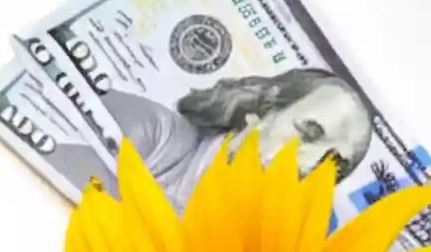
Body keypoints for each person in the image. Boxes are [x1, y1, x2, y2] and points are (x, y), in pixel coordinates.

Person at [103, 68, 373, 212]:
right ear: (260, 111)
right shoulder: (148, 133)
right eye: (308, 133)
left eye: (335, 164)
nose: (314, 165)